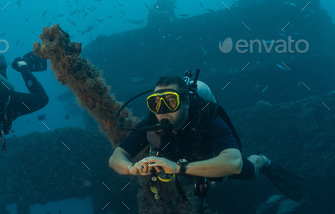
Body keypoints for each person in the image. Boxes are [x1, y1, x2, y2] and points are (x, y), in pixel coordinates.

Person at [109, 74, 307, 204]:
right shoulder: (151, 122)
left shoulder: (206, 117)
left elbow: (235, 163)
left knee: (250, 172)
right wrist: (130, 168)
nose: (162, 112)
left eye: (171, 102)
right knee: (186, 179)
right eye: (155, 103)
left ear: (186, 102)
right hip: (181, 161)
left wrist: (179, 168)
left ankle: (262, 160)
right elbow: (117, 156)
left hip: (207, 154)